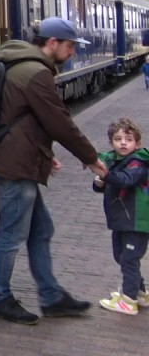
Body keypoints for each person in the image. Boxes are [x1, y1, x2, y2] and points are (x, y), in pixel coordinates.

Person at [0, 16, 108, 325]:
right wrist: (91, 158)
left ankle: (51, 297)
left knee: (41, 230)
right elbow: (59, 122)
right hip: (14, 166)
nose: (73, 52)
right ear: (52, 43)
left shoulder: (21, 64)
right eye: (70, 46)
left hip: (14, 158)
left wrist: (44, 155)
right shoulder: (36, 73)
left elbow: (23, 117)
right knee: (11, 234)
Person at [92, 118, 149, 314]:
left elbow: (125, 180)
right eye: (118, 139)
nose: (123, 143)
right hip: (121, 220)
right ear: (111, 142)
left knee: (129, 259)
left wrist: (104, 174)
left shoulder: (138, 162)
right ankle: (139, 293)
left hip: (137, 221)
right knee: (121, 256)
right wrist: (99, 182)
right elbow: (107, 183)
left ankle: (129, 300)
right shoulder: (113, 160)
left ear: (137, 144)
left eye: (128, 139)